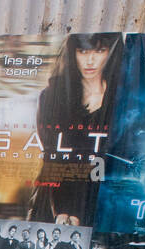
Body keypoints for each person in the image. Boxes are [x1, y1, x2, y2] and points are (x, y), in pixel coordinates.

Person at [29, 33, 122, 224]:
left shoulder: (121, 99)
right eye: (83, 51)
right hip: (56, 196)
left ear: (110, 52)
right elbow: (53, 156)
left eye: (99, 51)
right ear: (73, 52)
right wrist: (62, 208)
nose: (90, 60)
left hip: (101, 197)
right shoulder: (51, 97)